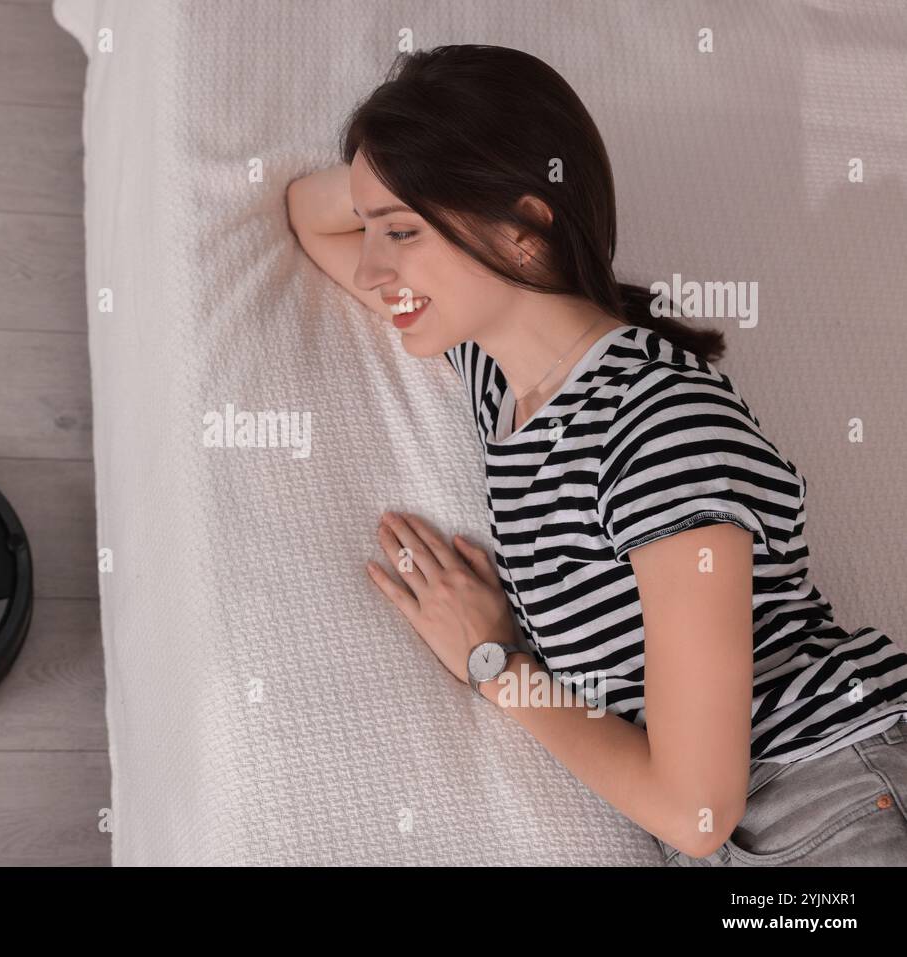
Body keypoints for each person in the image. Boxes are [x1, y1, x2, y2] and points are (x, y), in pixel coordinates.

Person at [285, 44, 907, 865]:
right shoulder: (502, 379)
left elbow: (695, 812)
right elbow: (308, 213)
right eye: (374, 228)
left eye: (401, 231)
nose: (372, 266)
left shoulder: (659, 429)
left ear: (523, 227)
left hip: (831, 797)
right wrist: (403, 169)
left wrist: (496, 663)